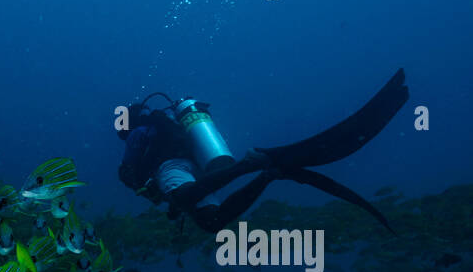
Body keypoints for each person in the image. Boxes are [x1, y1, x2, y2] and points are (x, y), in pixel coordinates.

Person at [117, 69, 408, 233]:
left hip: (173, 167)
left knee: (186, 199)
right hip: (199, 165)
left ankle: (249, 165)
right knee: (212, 221)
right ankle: (268, 173)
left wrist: (136, 181)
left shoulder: (137, 133)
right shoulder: (164, 125)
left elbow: (129, 171)